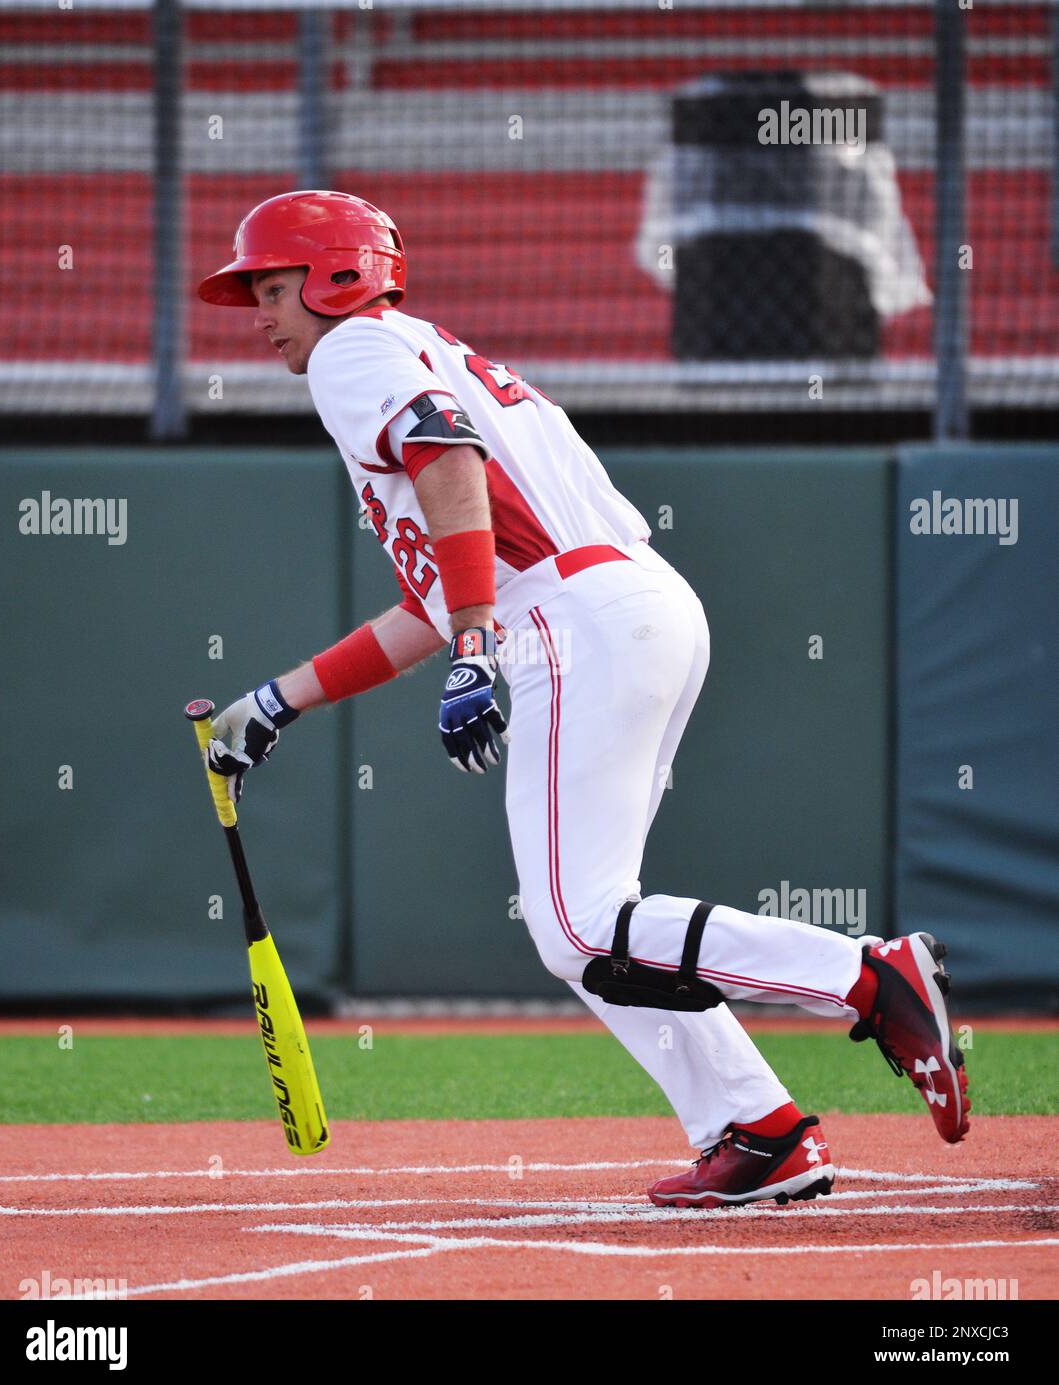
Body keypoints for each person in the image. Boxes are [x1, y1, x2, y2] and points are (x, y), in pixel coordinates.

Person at [198, 190, 970, 1209]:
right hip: (627, 607)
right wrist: (275, 701)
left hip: (575, 622)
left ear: (335, 274)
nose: (258, 311)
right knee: (587, 930)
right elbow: (433, 595)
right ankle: (759, 1128)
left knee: (583, 914)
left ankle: (870, 977)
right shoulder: (423, 349)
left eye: (270, 284)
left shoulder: (353, 351)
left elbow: (448, 467)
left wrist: (478, 639)